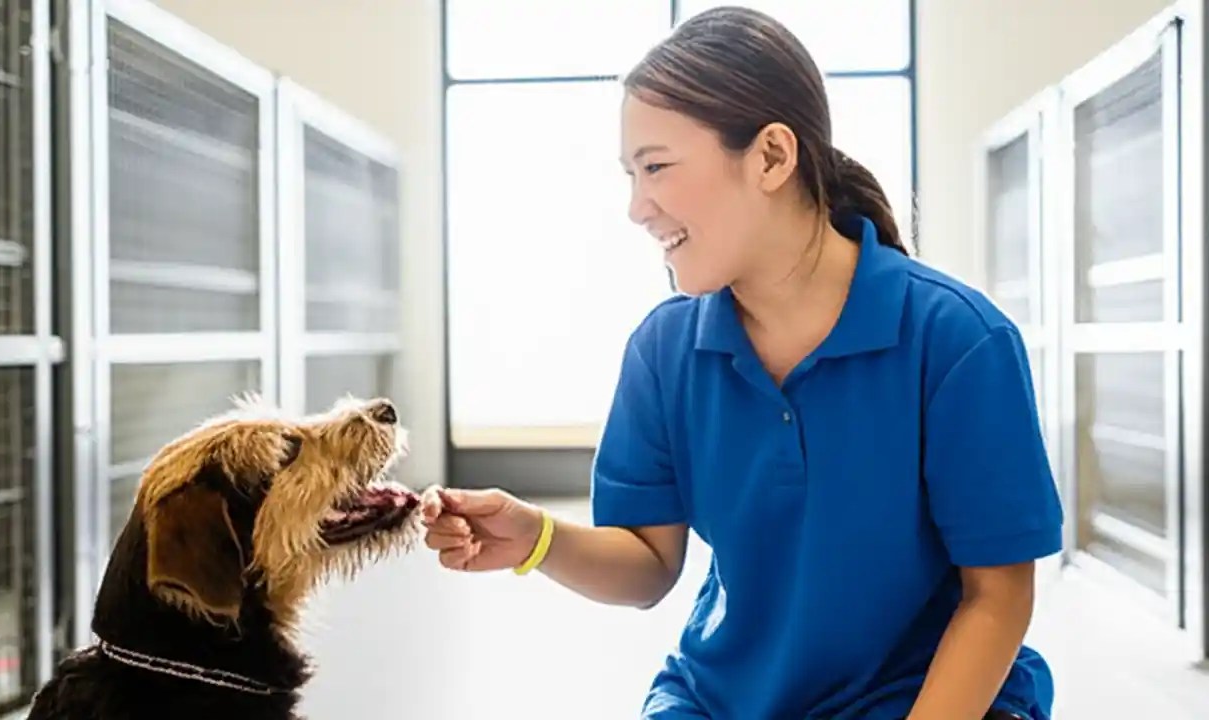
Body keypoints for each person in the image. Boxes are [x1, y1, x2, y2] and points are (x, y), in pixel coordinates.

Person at [420, 7, 1063, 720]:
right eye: (630, 175)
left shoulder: (957, 342)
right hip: (724, 700)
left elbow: (998, 597)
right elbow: (647, 562)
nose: (638, 207)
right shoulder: (664, 351)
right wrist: (535, 538)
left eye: (657, 167)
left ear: (771, 157)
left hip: (920, 699)